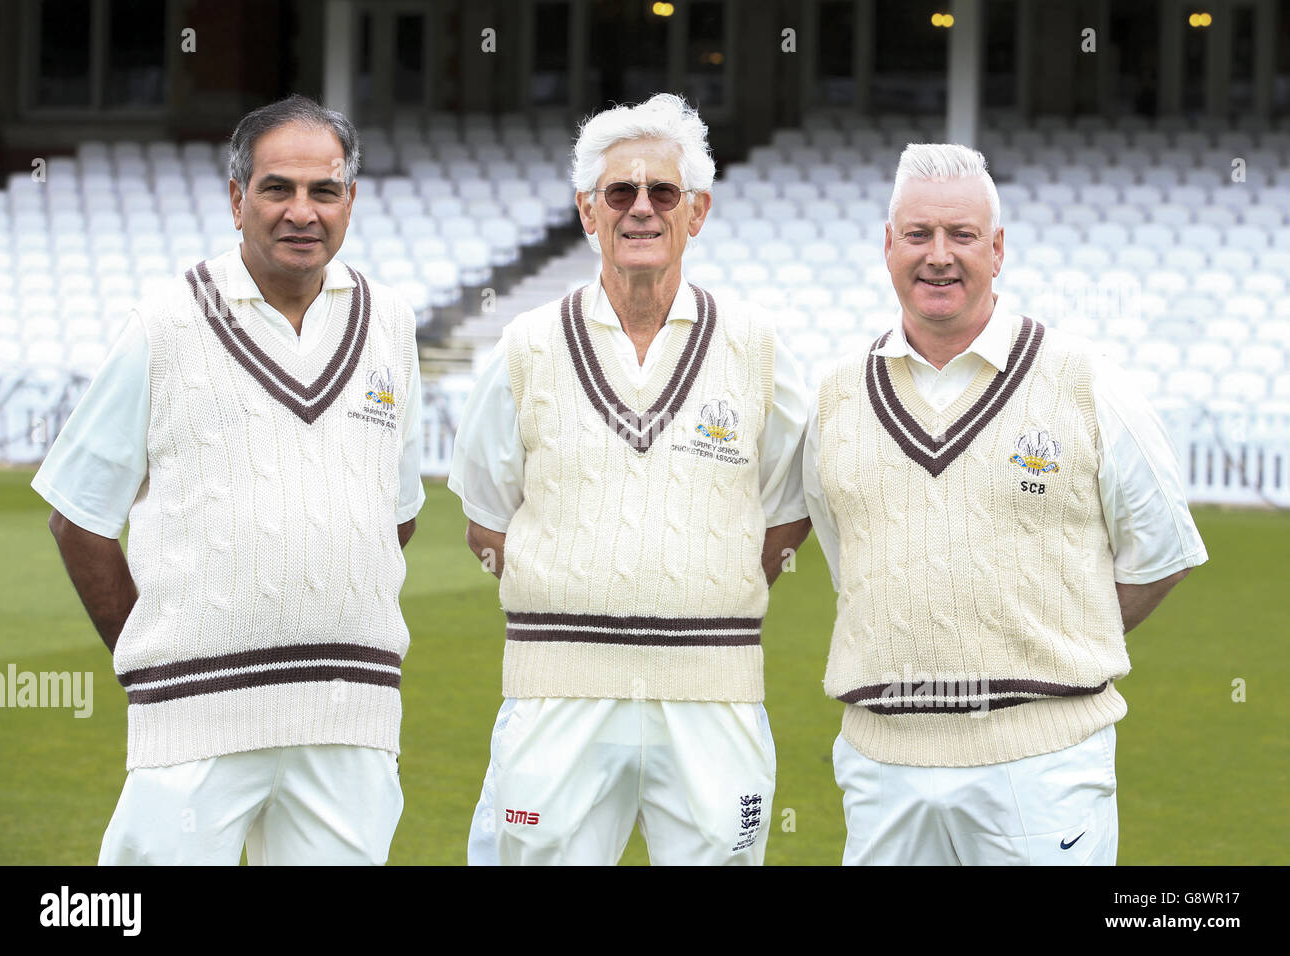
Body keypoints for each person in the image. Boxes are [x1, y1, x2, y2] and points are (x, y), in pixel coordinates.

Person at [31, 94, 425, 865]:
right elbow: (77, 516)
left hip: (350, 718)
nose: (301, 212)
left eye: (324, 191)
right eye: (278, 188)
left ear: (352, 200)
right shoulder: (165, 322)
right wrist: (150, 656)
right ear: (238, 197)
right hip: (193, 717)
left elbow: (396, 512)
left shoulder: (393, 324)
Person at [803, 143, 1208, 865]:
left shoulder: (1084, 379)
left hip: (1044, 762)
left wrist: (1057, 636)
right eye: (919, 235)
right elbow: (851, 559)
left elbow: (1163, 552)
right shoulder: (837, 394)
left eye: (961, 236)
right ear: (887, 245)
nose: (939, 257)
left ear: (997, 249)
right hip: (883, 767)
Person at [449, 93, 811, 866]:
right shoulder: (526, 347)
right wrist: (581, 596)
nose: (641, 208)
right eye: (620, 193)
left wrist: (700, 593)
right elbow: (485, 521)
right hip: (558, 691)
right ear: (588, 212)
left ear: (698, 211)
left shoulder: (758, 350)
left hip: (714, 692)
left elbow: (787, 514)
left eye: (663, 193)